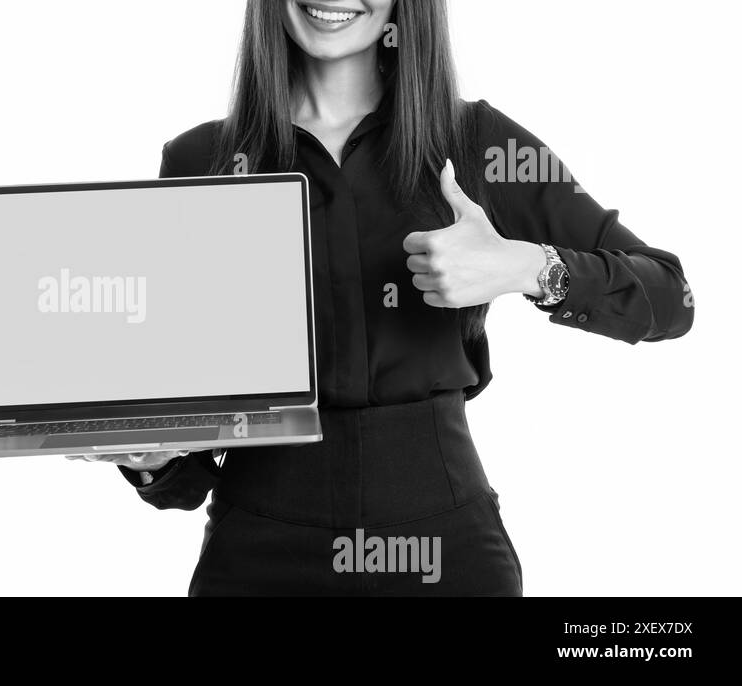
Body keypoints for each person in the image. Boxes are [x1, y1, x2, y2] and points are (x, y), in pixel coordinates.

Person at [70, 0, 694, 596]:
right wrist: (154, 453)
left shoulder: (477, 143)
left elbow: (670, 296)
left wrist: (526, 266)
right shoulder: (198, 161)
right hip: (255, 553)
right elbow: (183, 472)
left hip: (444, 551)